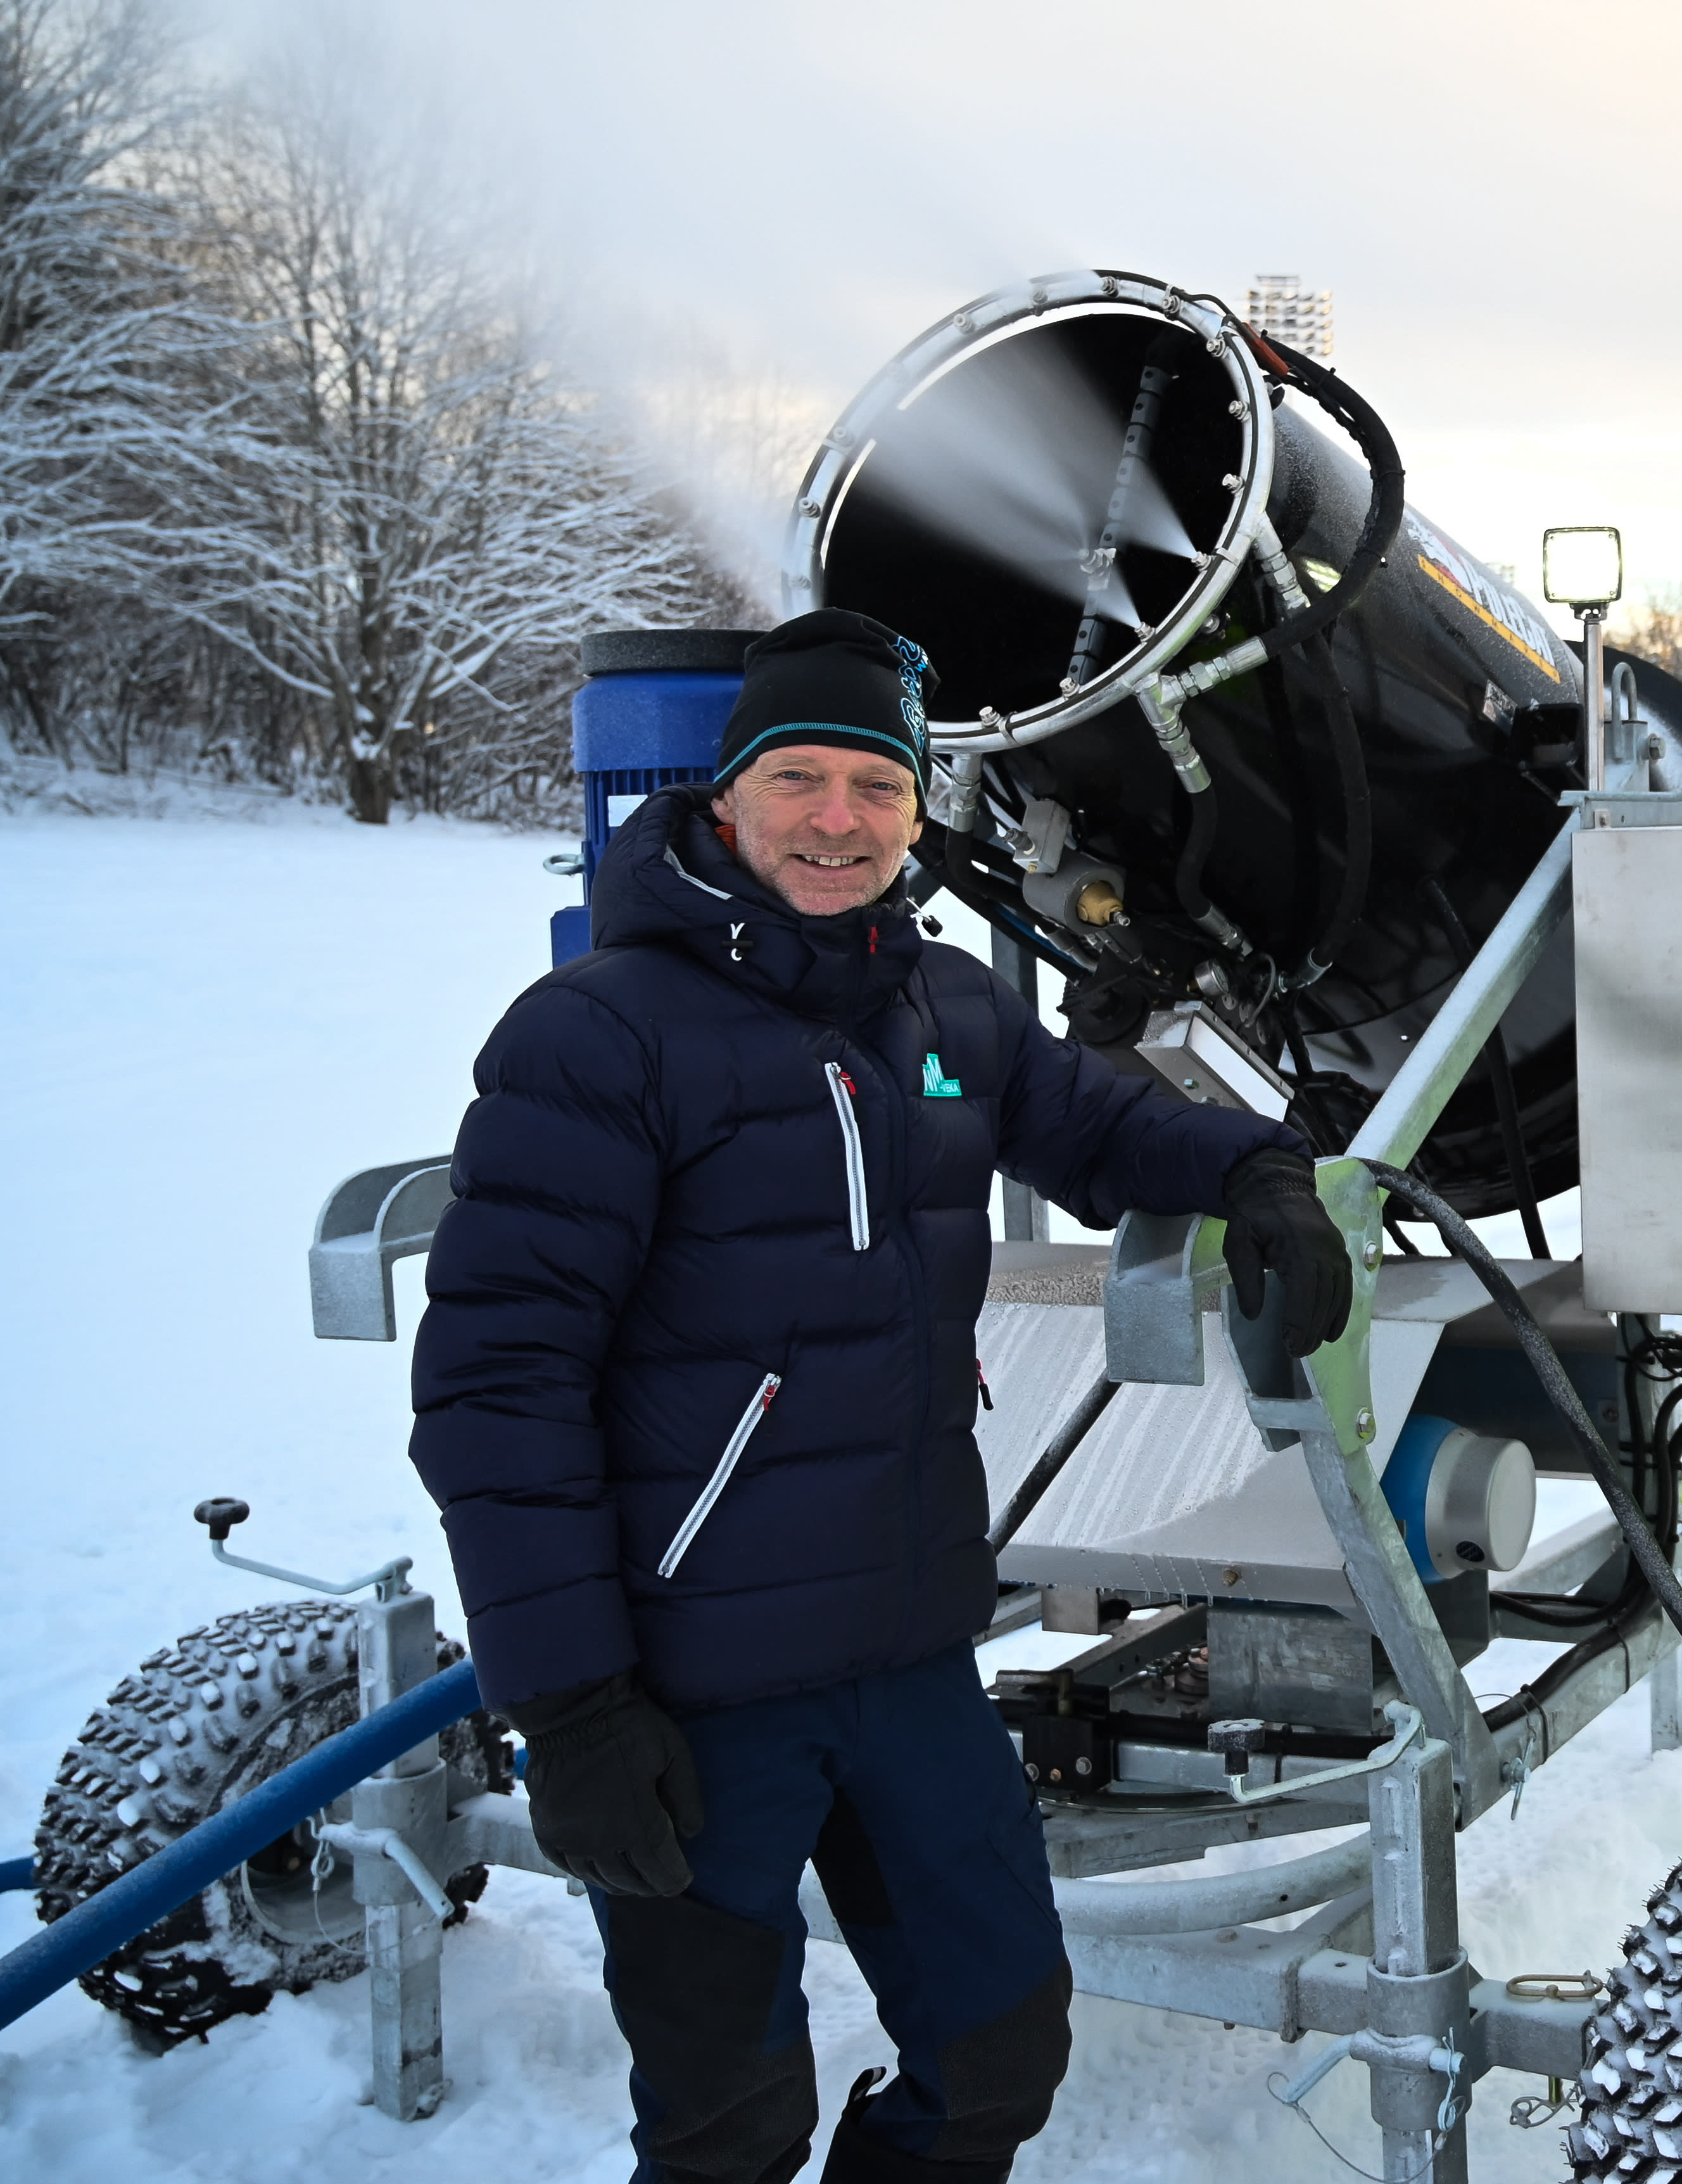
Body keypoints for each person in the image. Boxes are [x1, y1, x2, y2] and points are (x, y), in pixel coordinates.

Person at [410, 610, 1352, 2184]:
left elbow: (1099, 1127)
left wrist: (1259, 1166)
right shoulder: (597, 1035)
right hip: (690, 1685)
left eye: (877, 787)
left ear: (920, 814)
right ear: (727, 798)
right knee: (727, 2124)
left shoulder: (944, 1010)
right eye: (799, 779)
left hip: (909, 1651)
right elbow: (496, 1391)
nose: (838, 821)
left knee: (1000, 2051)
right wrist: (568, 1702)